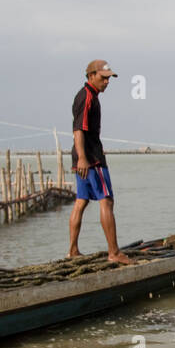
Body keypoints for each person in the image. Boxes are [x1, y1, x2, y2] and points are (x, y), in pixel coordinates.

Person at [69, 59, 131, 264]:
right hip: (91, 159)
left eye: (109, 78)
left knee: (81, 201)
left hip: (83, 158)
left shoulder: (90, 96)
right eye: (103, 78)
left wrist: (80, 159)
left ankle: (73, 251)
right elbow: (78, 130)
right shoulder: (86, 97)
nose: (107, 82)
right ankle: (114, 253)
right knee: (107, 200)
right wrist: (85, 159)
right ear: (91, 76)